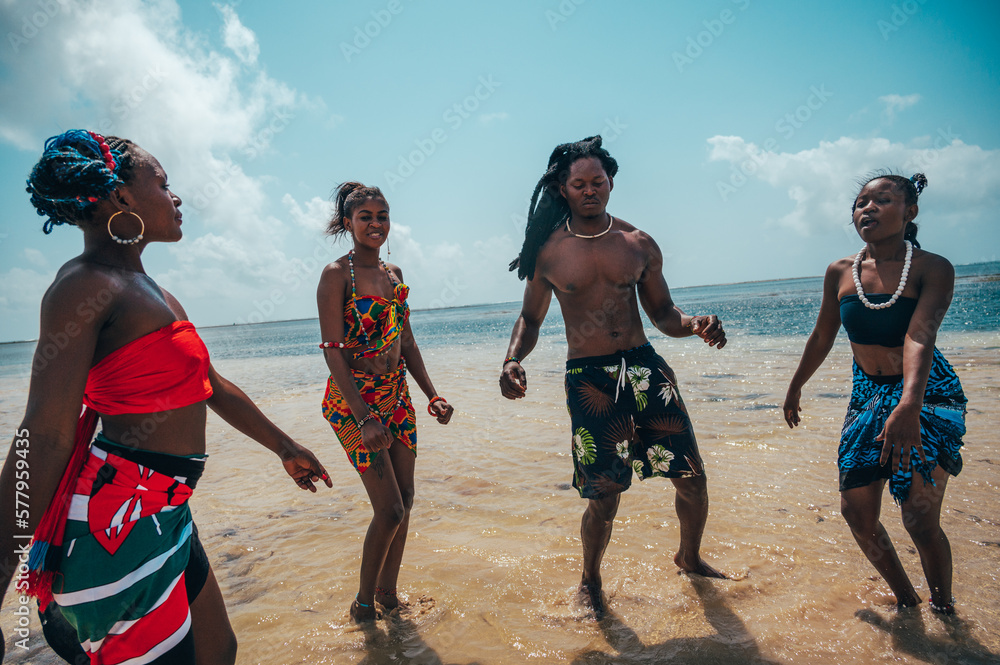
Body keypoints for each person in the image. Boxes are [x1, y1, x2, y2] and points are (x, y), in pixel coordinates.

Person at [0, 130, 333, 665]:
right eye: (164, 183)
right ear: (124, 199)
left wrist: (284, 446)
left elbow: (212, 385)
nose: (176, 198)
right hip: (117, 522)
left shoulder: (154, 291)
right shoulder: (84, 286)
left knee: (218, 650)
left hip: (168, 508)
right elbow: (45, 434)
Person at [499, 136, 728, 619]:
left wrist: (696, 325)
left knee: (691, 478)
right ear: (562, 189)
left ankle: (689, 557)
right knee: (604, 496)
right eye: (578, 184)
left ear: (610, 183)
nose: (590, 191)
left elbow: (665, 314)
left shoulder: (637, 243)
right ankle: (590, 580)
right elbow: (531, 318)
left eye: (597, 182)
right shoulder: (548, 252)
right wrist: (512, 360)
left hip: (645, 368)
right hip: (589, 379)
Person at [783, 172, 967, 614]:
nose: (868, 208)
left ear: (910, 211)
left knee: (919, 519)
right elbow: (823, 334)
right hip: (866, 396)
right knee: (857, 513)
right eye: (862, 201)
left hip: (927, 394)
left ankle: (945, 609)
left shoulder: (932, 268)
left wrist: (909, 404)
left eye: (883, 200)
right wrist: (795, 386)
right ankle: (907, 601)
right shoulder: (840, 271)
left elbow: (920, 335)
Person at [316, 182, 454, 623]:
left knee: (407, 498)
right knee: (389, 508)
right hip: (354, 402)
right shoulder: (336, 275)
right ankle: (362, 606)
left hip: (398, 396)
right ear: (347, 223)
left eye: (382, 215)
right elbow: (333, 350)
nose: (375, 223)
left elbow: (406, 341)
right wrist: (364, 417)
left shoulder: (394, 275)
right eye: (365, 216)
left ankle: (388, 596)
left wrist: (433, 394)